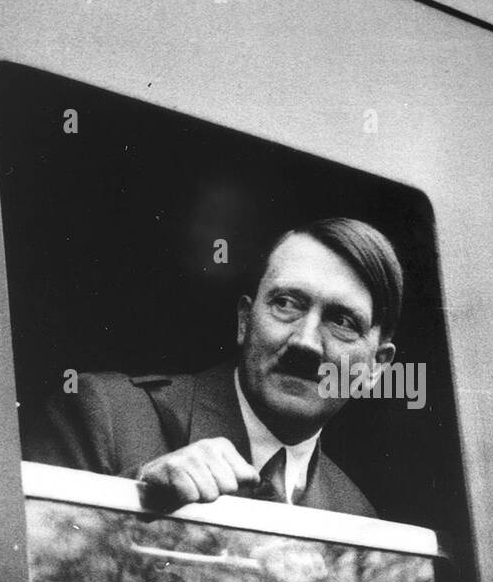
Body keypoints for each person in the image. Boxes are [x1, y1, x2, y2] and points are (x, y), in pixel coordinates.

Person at [24, 217, 402, 518]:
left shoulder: (357, 516)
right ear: (244, 321)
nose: (305, 341)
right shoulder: (103, 416)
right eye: (287, 303)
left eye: (343, 322)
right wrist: (135, 498)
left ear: (375, 369)